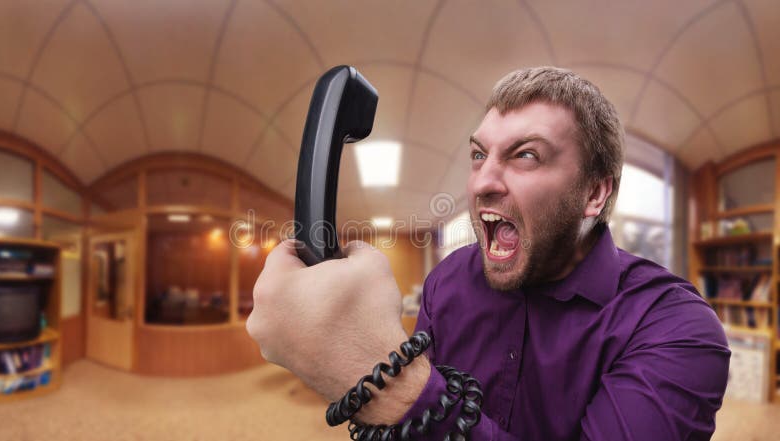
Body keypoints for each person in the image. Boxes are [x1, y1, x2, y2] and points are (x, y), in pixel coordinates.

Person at [246, 66, 730, 440]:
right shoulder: (447, 279)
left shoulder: (678, 329)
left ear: (594, 194)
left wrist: (385, 383)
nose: (481, 183)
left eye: (525, 155)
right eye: (479, 155)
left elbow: (409, 401)